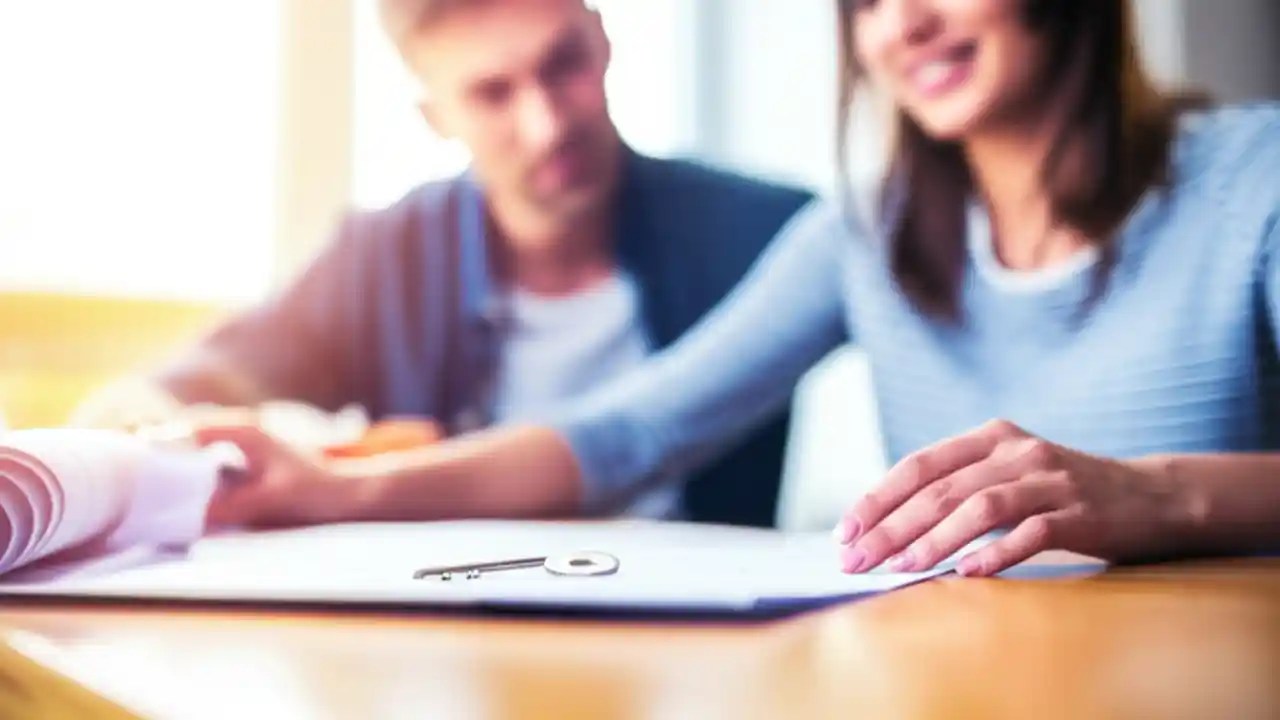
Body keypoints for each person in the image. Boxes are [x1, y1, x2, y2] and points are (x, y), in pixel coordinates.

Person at [196, 0, 1280, 573]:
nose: (899, 25)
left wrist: (1153, 496)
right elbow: (630, 431)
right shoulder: (861, 233)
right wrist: (334, 490)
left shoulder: (1253, 176)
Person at [72, 0, 815, 527]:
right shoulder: (376, 257)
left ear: (602, 40)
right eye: (493, 93)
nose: (546, 122)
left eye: (564, 66)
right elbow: (200, 378)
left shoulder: (767, 232)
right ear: (436, 117)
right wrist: (137, 433)